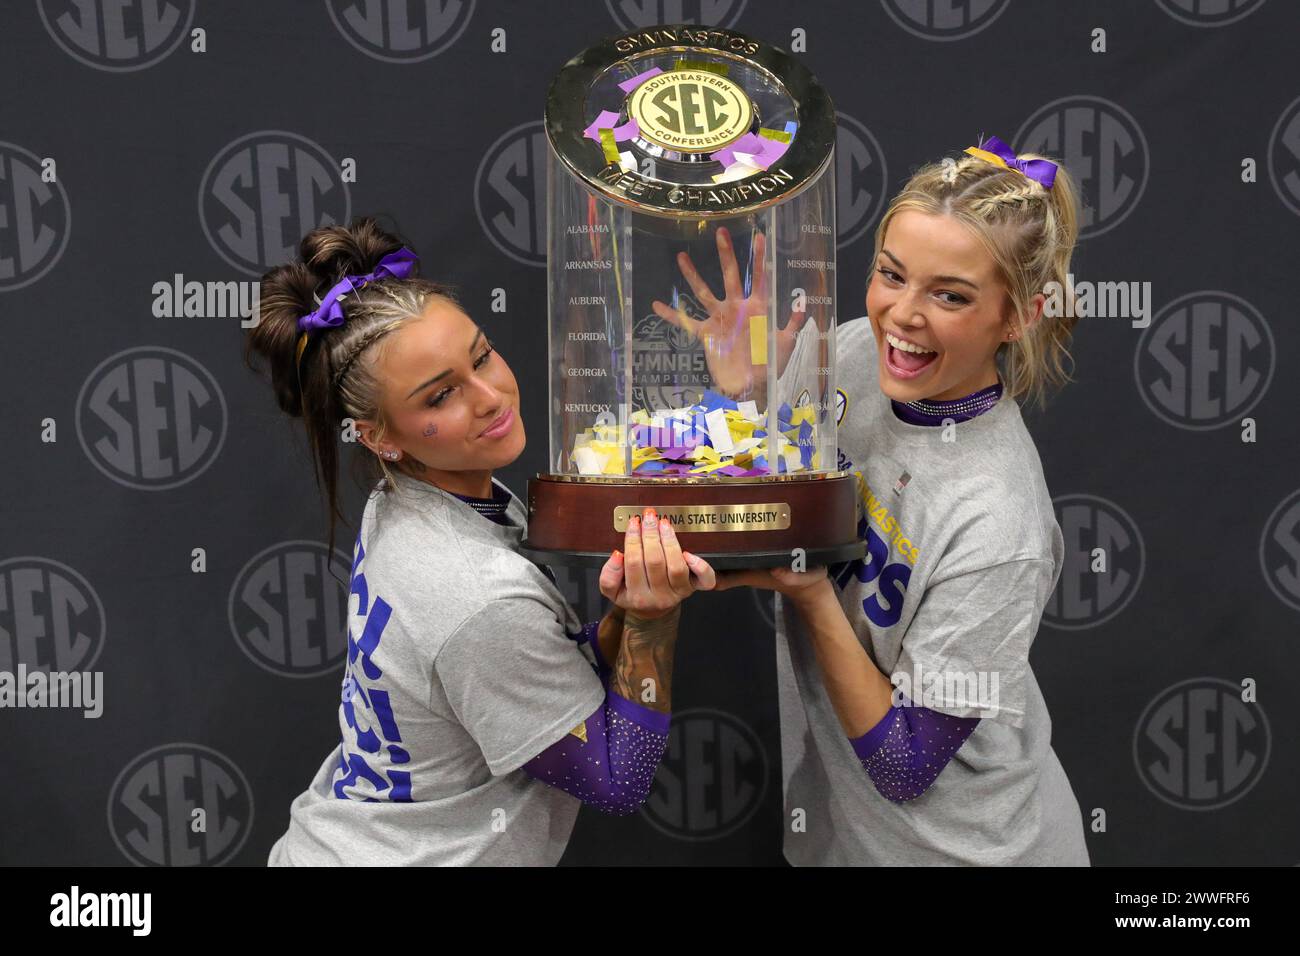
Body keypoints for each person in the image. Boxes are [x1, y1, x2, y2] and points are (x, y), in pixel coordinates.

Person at [655, 136, 1091, 865]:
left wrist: (812, 594)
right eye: (891, 275)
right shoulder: (853, 352)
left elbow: (907, 762)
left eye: (950, 295)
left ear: (1016, 316)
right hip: (838, 831)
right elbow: (780, 497)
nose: (902, 315)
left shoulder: (998, 519)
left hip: (964, 850)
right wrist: (756, 392)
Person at [245, 215, 716, 865]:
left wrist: (630, 612)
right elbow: (617, 777)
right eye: (441, 397)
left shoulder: (414, 500)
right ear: (380, 436)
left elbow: (538, 687)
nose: (491, 396)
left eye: (482, 355)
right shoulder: (472, 591)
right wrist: (655, 622)